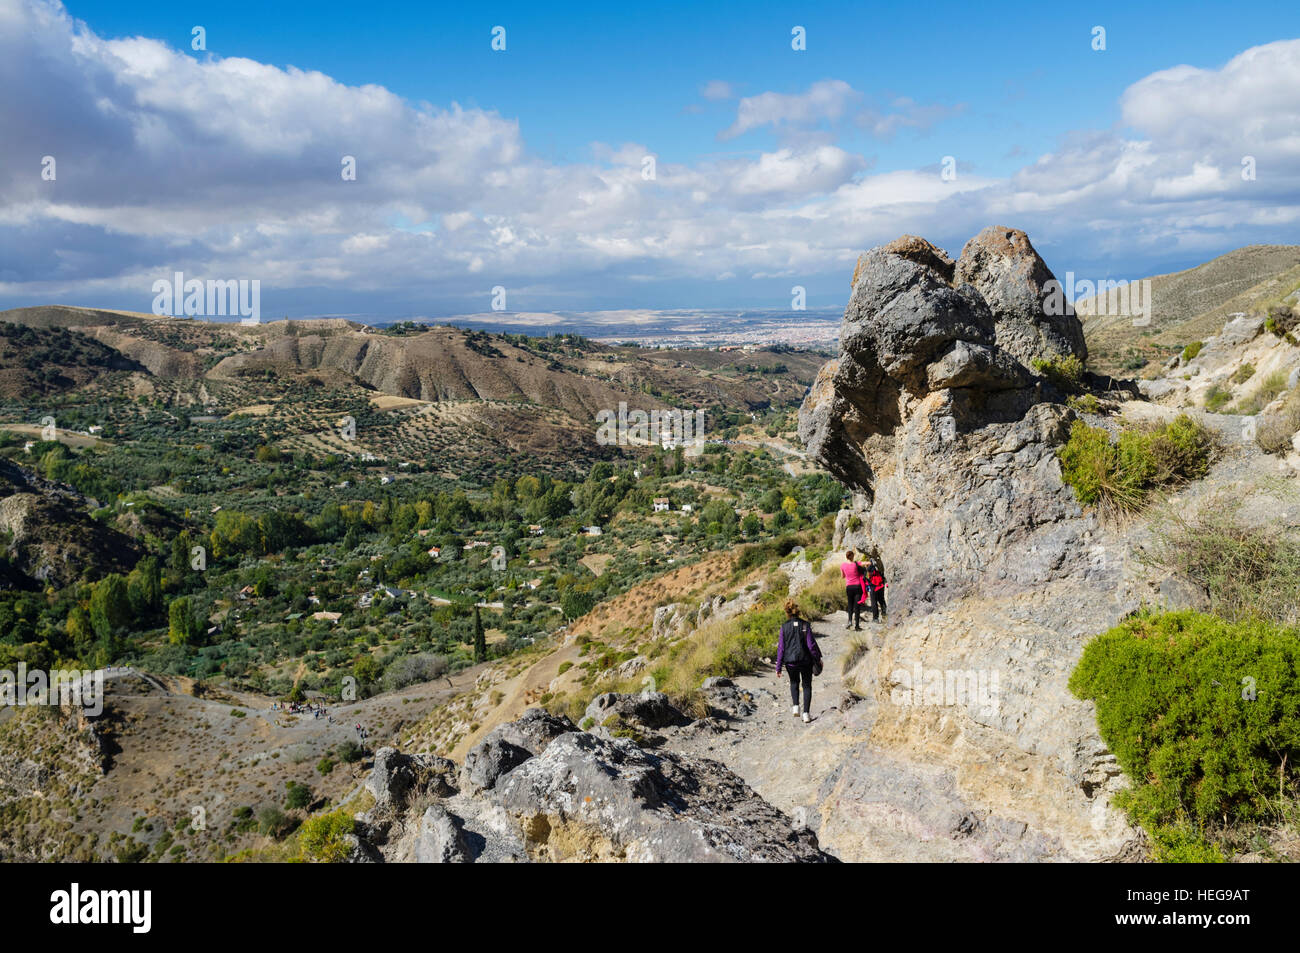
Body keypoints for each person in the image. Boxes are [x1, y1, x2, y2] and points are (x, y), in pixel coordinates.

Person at [775, 599, 822, 724]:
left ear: (787, 612)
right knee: (806, 686)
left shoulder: (784, 627)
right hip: (805, 661)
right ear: (798, 611)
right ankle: (806, 714)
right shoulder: (805, 625)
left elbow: (781, 648)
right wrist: (818, 658)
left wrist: (778, 666)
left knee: (794, 682)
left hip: (790, 662)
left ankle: (795, 706)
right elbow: (811, 645)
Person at [839, 550, 867, 631]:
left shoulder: (843, 565)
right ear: (852, 556)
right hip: (857, 586)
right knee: (857, 606)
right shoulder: (856, 564)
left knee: (850, 605)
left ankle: (850, 621)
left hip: (849, 587)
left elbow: (842, 576)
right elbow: (865, 563)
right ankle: (857, 626)